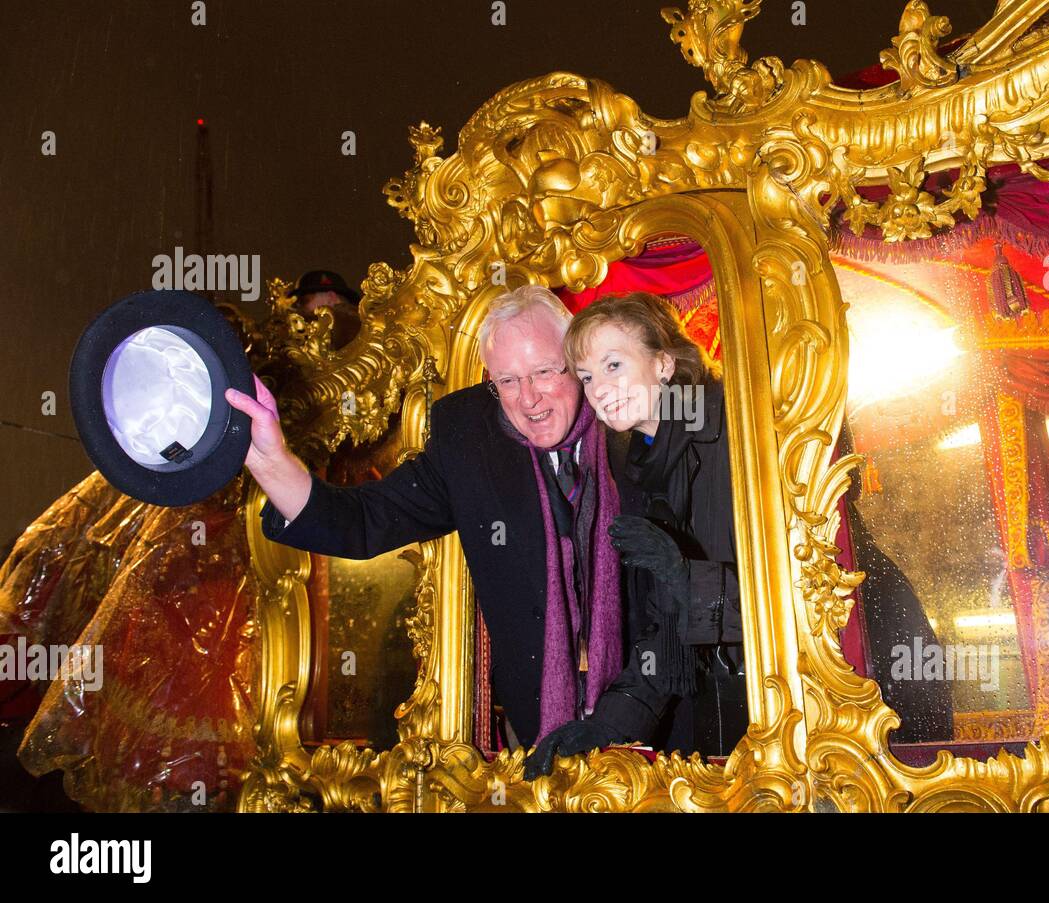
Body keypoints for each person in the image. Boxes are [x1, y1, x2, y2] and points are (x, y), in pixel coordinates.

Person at [225, 285, 632, 752]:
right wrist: (271, 460)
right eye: (507, 381)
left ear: (578, 363)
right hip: (542, 734)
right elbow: (364, 521)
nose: (528, 399)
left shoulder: (626, 411)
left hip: (661, 722)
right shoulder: (469, 439)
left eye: (544, 371)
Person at [524, 291, 746, 779]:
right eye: (587, 376)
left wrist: (684, 576)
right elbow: (663, 630)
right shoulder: (639, 468)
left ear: (663, 364)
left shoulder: (733, 427)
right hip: (722, 721)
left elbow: (785, 601)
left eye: (614, 365)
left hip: (793, 710)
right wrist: (607, 727)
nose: (600, 389)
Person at [288, 269, 361, 347]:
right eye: (297, 303)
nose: (299, 307)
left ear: (331, 298)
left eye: (304, 301)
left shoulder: (349, 334)